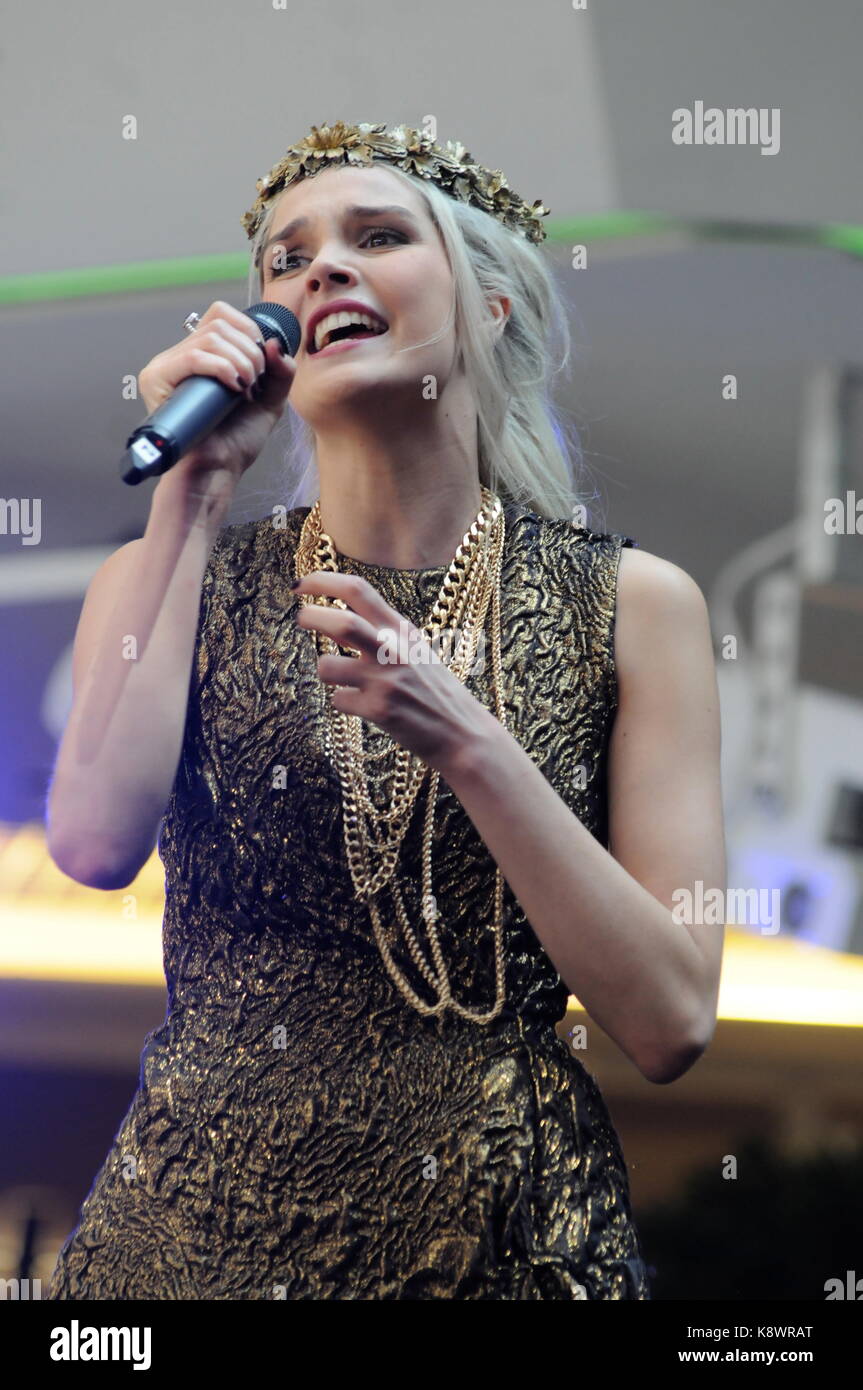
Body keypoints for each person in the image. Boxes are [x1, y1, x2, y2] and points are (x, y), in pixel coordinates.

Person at [45, 121, 725, 1300]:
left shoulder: (633, 604)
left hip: (496, 1237)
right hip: (192, 1236)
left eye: (377, 237)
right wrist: (193, 497)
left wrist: (466, 737)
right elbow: (94, 844)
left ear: (489, 307)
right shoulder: (179, 571)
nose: (322, 269)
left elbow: (668, 1020)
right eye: (285, 257)